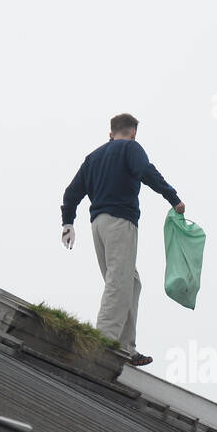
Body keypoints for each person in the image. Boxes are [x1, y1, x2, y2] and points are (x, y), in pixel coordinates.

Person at [61, 113, 185, 367]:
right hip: (120, 222)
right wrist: (174, 199)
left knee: (132, 282)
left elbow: (71, 193)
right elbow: (147, 172)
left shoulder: (93, 157)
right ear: (133, 133)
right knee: (118, 281)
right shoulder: (131, 147)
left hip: (98, 225)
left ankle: (126, 347)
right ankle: (103, 342)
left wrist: (67, 223)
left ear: (110, 134)